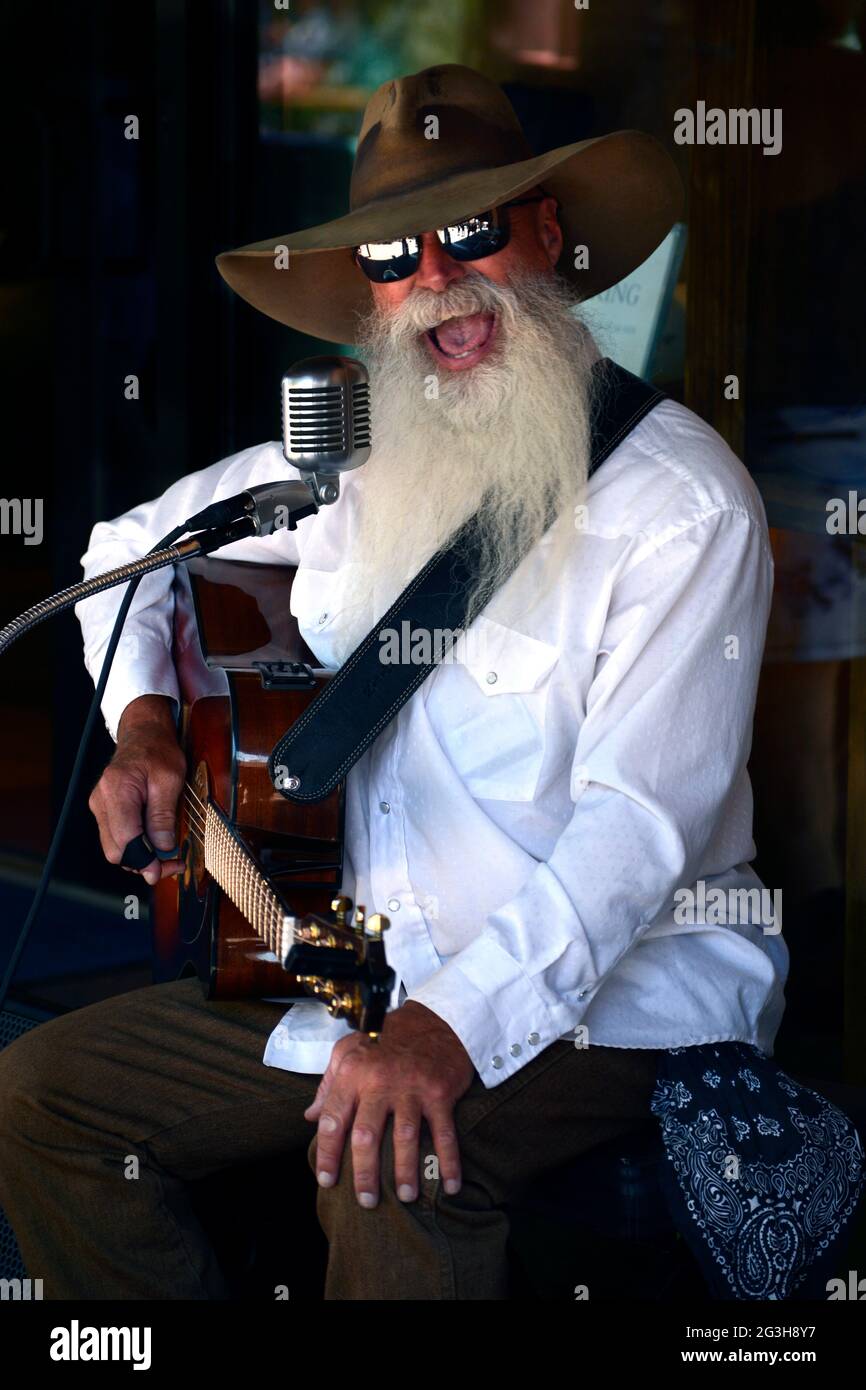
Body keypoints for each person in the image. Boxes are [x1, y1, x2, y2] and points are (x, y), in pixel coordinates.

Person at [0, 64, 791, 1300]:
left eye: (470, 230)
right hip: (362, 973)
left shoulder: (678, 506)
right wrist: (146, 724)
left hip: (614, 1000)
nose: (434, 275)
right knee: (44, 1097)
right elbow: (124, 553)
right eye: (388, 252)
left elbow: (635, 831)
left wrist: (440, 1034)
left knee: (385, 1161)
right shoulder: (354, 454)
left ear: (545, 233)